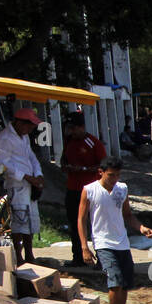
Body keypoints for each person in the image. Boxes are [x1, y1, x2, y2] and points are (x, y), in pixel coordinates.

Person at [77, 156, 152, 304]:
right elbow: (81, 219)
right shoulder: (89, 190)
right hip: (103, 242)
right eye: (111, 175)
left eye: (117, 175)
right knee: (115, 281)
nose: (114, 179)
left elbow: (127, 214)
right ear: (101, 172)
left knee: (125, 284)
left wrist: (140, 227)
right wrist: (84, 246)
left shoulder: (122, 189)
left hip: (122, 242)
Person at [0, 108, 46, 264]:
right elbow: (3, 163)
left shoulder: (24, 137)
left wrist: (37, 174)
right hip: (17, 184)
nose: (31, 129)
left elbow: (31, 156)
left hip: (30, 184)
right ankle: (19, 256)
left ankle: (29, 253)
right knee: (20, 220)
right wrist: (26, 176)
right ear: (19, 122)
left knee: (31, 220)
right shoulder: (5, 138)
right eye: (29, 125)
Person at [59, 111, 106, 267]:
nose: (71, 132)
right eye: (69, 128)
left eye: (74, 128)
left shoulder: (93, 143)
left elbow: (105, 167)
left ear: (82, 127)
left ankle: (101, 259)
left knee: (96, 225)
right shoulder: (69, 142)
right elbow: (63, 160)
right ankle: (78, 257)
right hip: (73, 189)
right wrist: (67, 167)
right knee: (75, 224)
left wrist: (84, 169)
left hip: (91, 190)